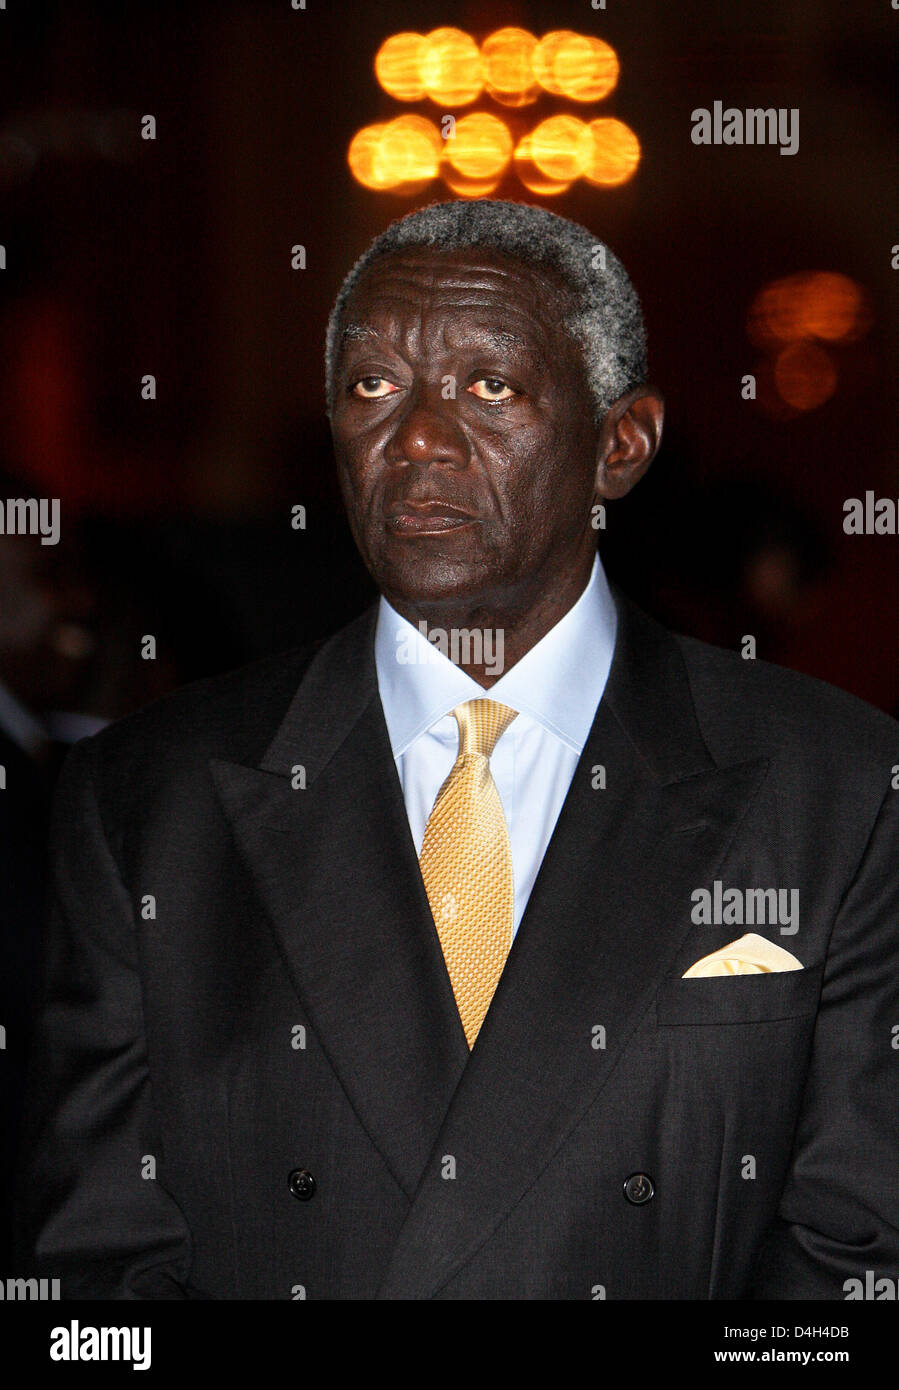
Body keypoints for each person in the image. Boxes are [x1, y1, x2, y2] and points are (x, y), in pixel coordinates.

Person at [17, 200, 899, 1299]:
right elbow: (91, 1278)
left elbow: (853, 1262)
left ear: (620, 445)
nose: (419, 436)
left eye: (488, 387)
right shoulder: (145, 800)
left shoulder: (843, 788)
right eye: (373, 387)